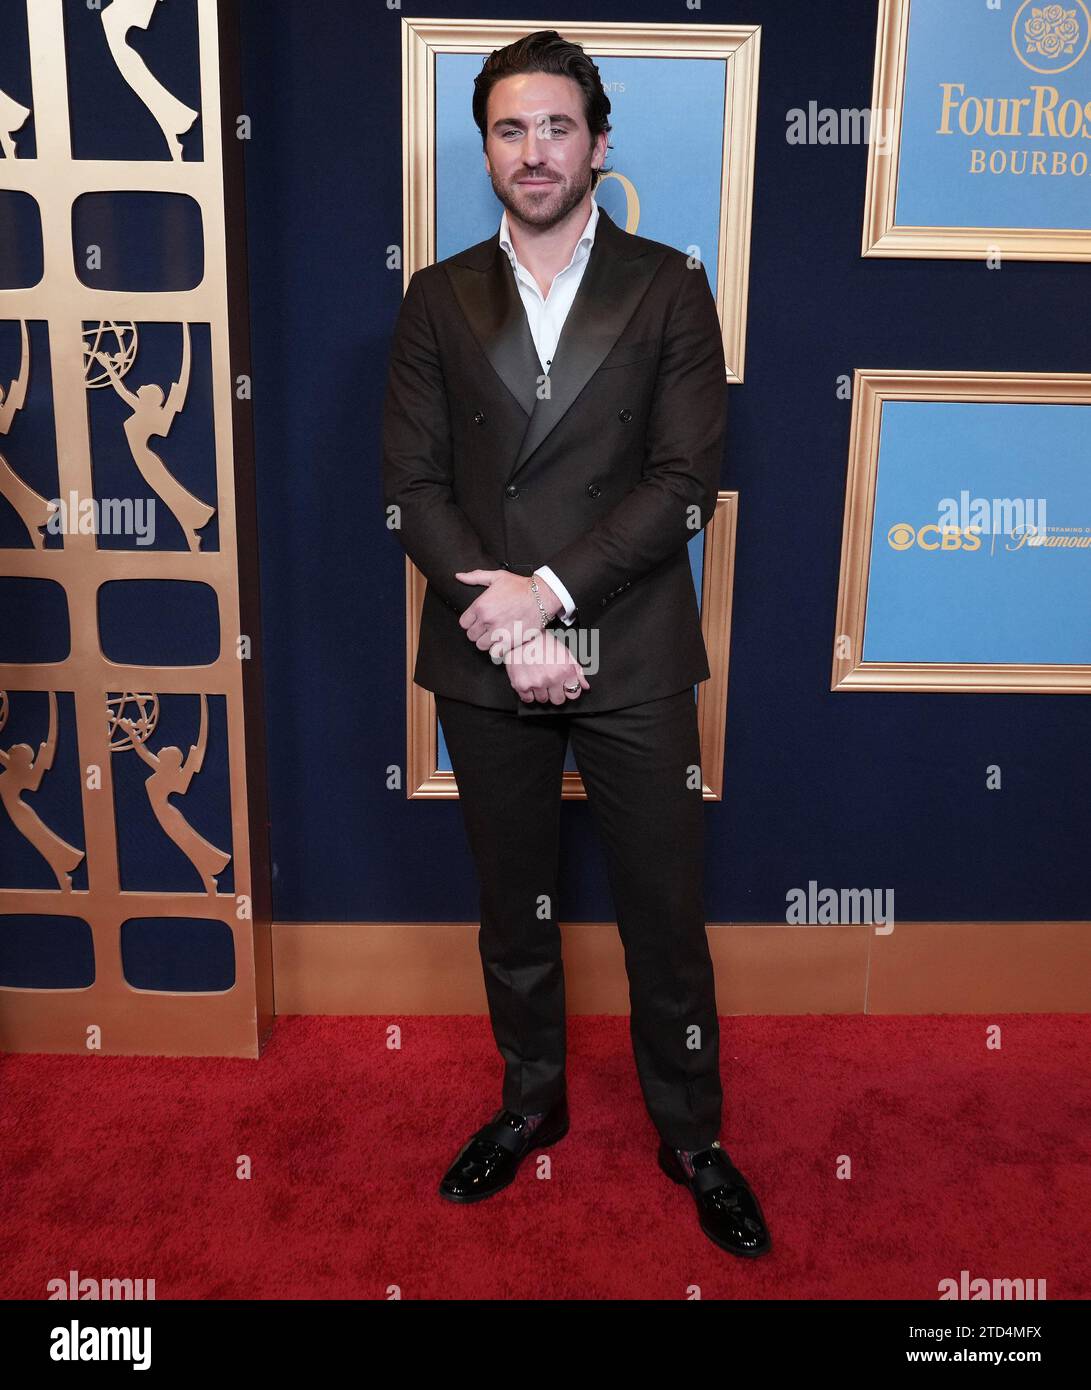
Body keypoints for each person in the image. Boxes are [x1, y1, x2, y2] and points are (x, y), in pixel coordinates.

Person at [382, 29, 770, 1258]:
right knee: (514, 904)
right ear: (485, 148)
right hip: (487, 648)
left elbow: (682, 484)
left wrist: (548, 595)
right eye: (509, 129)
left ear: (599, 145)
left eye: (556, 127)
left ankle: (692, 1136)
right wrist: (504, 625)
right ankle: (528, 1103)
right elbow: (413, 482)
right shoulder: (437, 296)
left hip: (628, 647)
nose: (533, 150)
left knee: (664, 909)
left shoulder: (668, 285)